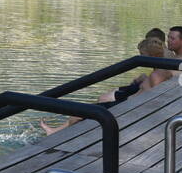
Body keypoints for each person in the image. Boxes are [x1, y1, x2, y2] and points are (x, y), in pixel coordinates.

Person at [41, 38, 174, 135]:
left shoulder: (157, 75)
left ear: (151, 56)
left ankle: (56, 134)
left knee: (79, 114)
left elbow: (151, 99)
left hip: (125, 108)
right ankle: (55, 131)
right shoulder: (161, 70)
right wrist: (143, 81)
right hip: (127, 104)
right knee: (83, 111)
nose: (140, 57)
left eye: (142, 55)